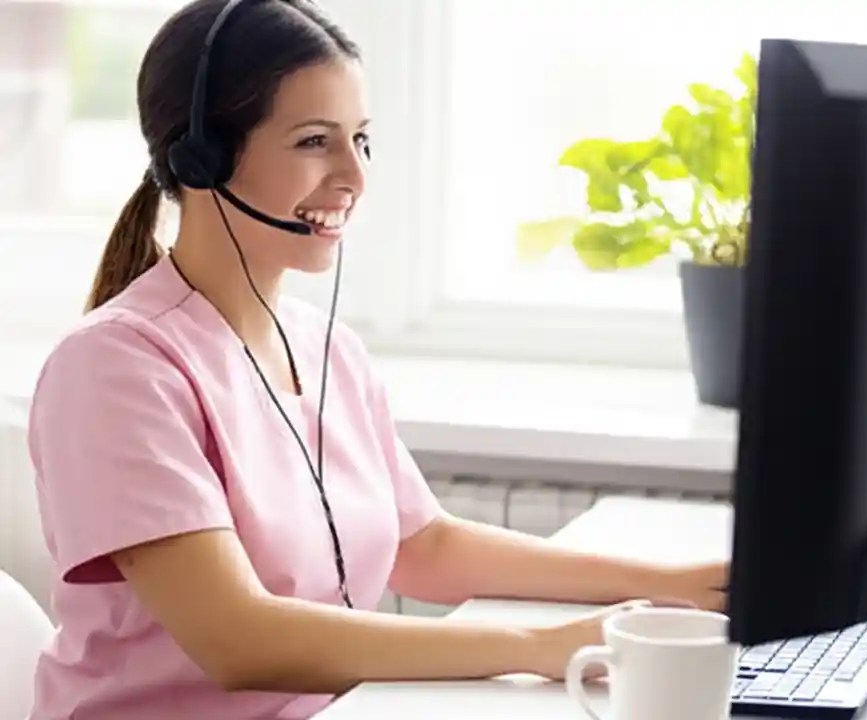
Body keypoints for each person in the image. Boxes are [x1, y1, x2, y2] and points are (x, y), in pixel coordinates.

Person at [24, 1, 726, 719]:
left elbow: (424, 545)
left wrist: (671, 583)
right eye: (312, 142)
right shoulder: (115, 368)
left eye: (360, 140)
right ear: (200, 157)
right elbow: (237, 638)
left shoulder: (326, 347)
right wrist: (536, 646)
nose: (353, 176)